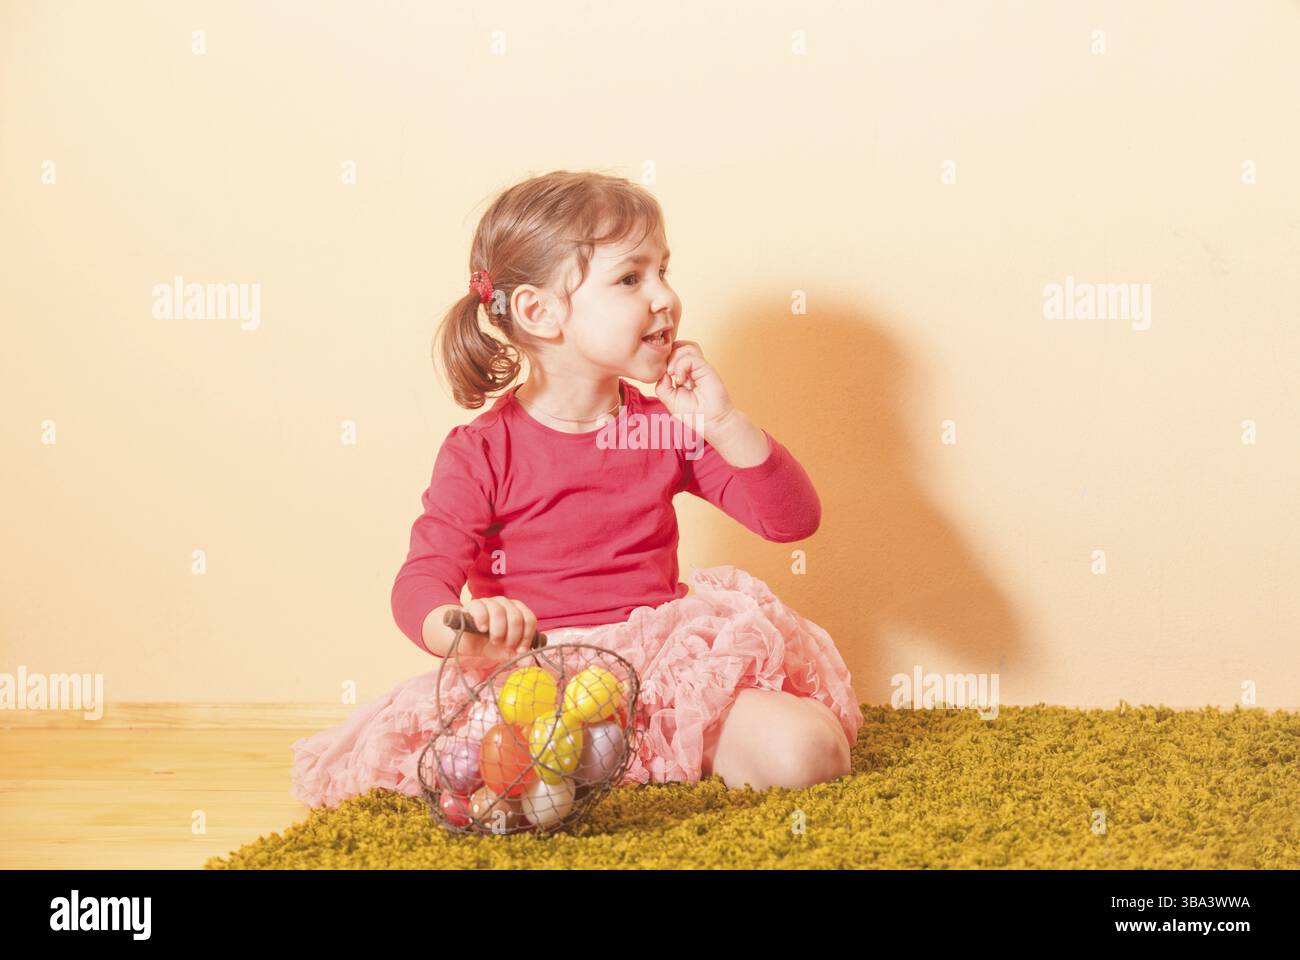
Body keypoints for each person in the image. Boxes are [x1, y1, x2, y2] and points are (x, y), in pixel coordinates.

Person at [291, 170, 861, 810]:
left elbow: (790, 522)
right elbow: (419, 583)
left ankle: (649, 754)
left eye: (665, 271)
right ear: (540, 311)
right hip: (533, 692)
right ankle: (597, 770)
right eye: (631, 278)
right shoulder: (481, 452)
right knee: (454, 773)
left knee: (812, 751)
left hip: (663, 673)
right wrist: (465, 630)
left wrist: (724, 423)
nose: (666, 297)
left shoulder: (668, 427)